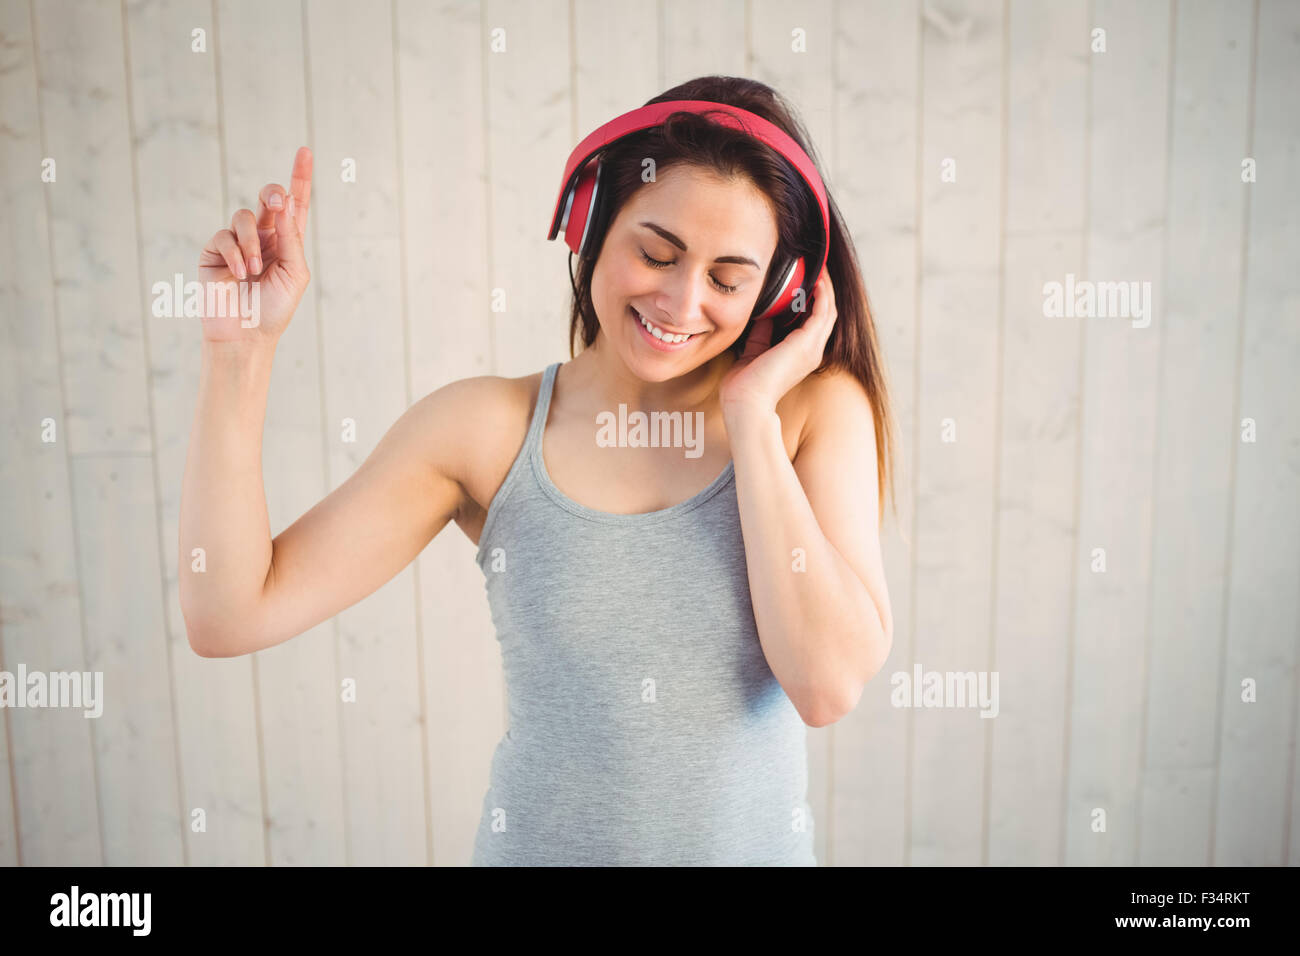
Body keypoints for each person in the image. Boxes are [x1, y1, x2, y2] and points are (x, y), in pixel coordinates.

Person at [179, 75, 897, 866]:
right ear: (589, 221)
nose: (681, 301)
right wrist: (239, 353)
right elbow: (229, 614)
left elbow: (826, 687)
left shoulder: (811, 413)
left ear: (779, 288)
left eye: (728, 279)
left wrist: (751, 418)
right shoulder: (486, 430)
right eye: (656, 254)